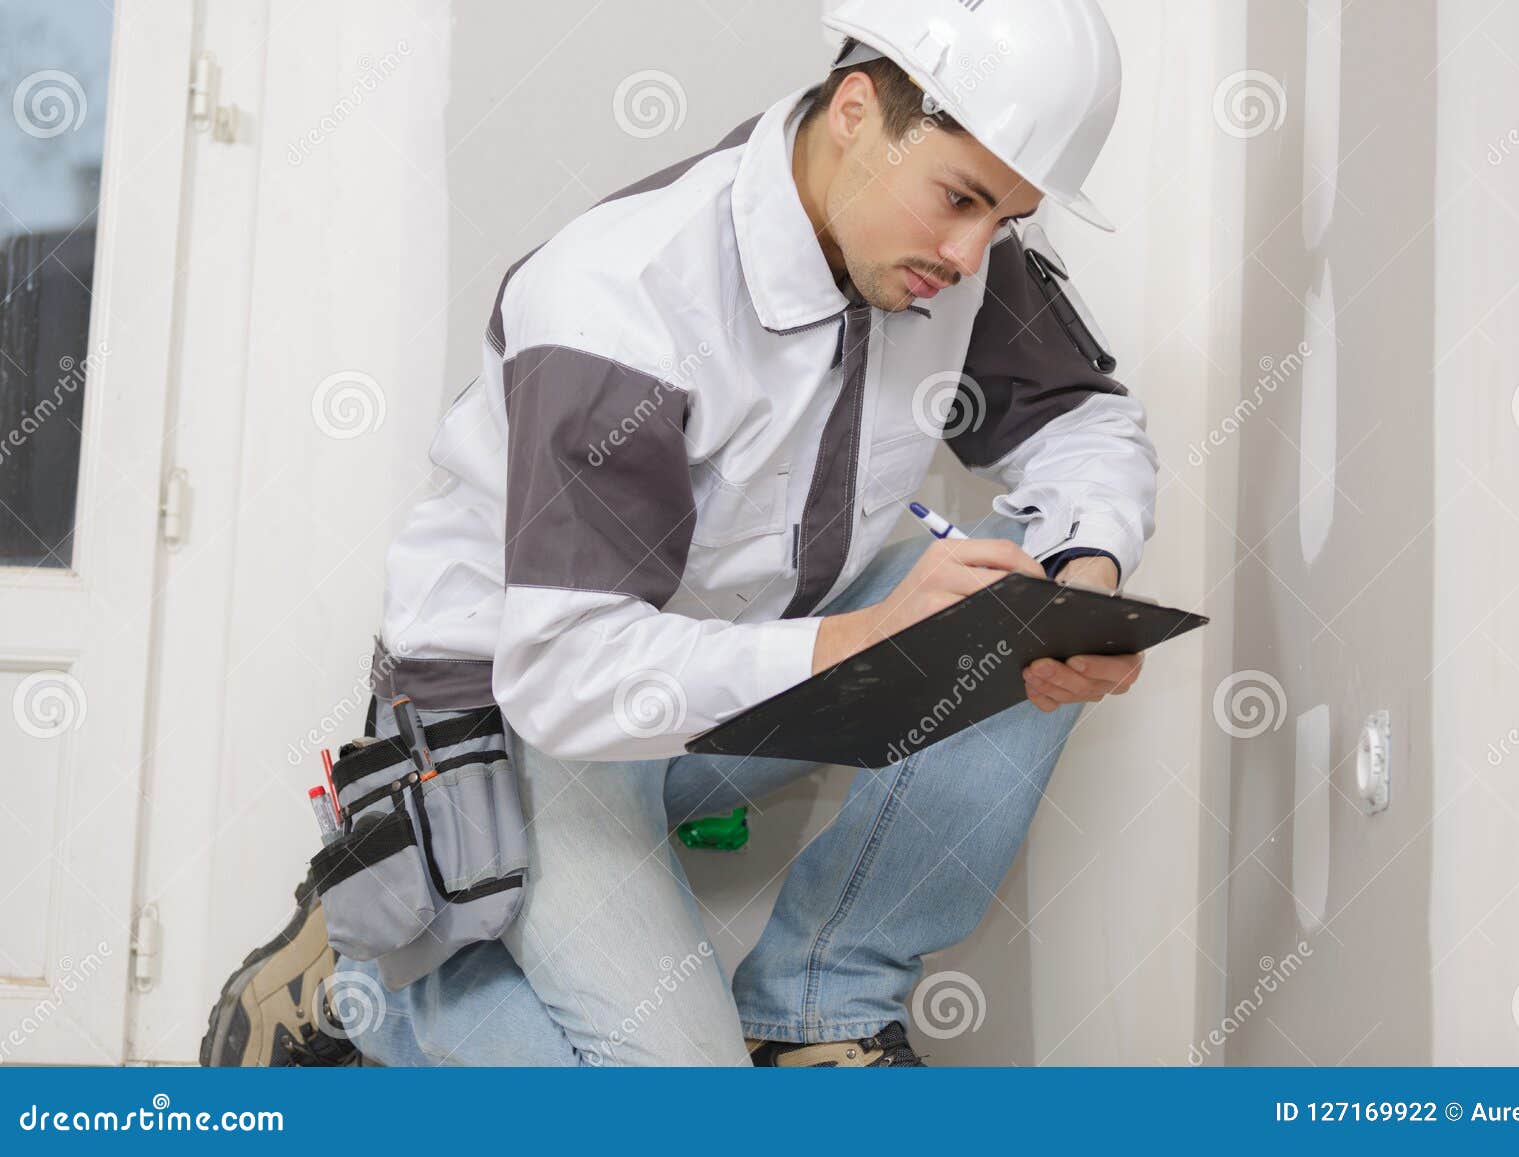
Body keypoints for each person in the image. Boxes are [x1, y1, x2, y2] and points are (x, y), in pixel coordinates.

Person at [201, 0, 1156, 1067]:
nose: (974, 250)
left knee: (1013, 609)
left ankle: (818, 1013)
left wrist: (1083, 568)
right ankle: (360, 979)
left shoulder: (947, 253)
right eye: (961, 199)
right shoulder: (623, 298)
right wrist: (865, 638)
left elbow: (1088, 423)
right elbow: (564, 675)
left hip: (728, 677)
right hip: (529, 722)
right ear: (855, 110)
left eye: (1006, 218)